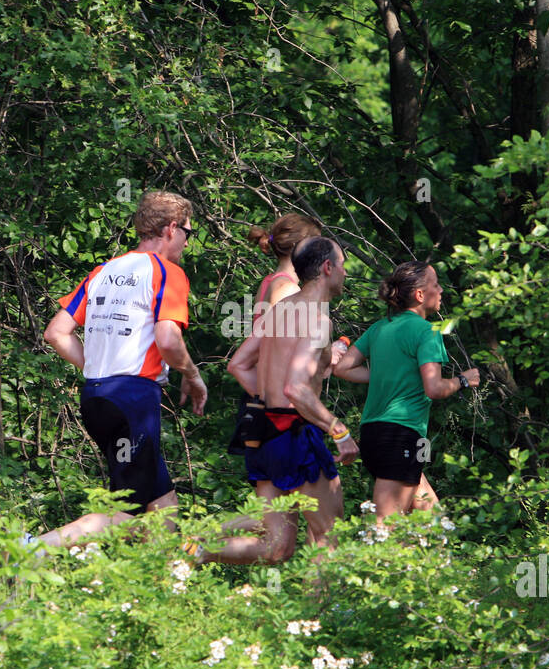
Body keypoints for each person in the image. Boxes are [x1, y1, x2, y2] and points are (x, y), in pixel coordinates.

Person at [36, 191, 207, 547]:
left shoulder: (104, 271)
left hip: (97, 396)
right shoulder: (166, 272)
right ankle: (32, 549)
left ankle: (163, 584)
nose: (187, 244)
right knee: (127, 515)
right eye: (188, 233)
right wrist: (192, 375)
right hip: (133, 401)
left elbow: (56, 333)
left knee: (162, 504)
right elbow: (168, 339)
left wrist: (99, 367)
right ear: (172, 229)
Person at [198, 236, 358, 564]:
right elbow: (296, 389)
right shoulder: (317, 319)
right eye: (343, 265)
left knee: (277, 547)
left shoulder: (279, 309)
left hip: (263, 433)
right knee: (330, 534)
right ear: (328, 268)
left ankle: (198, 546)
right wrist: (339, 431)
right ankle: (318, 616)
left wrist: (273, 392)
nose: (345, 272)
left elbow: (238, 365)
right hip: (294, 433)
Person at [333, 261, 480, 525]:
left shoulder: (380, 328)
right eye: (436, 284)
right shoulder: (427, 331)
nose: (442, 290)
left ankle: (439, 566)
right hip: (400, 435)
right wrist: (462, 381)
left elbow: (342, 368)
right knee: (385, 528)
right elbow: (434, 389)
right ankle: (359, 566)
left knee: (433, 524)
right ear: (420, 295)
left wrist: (385, 375)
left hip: (373, 433)